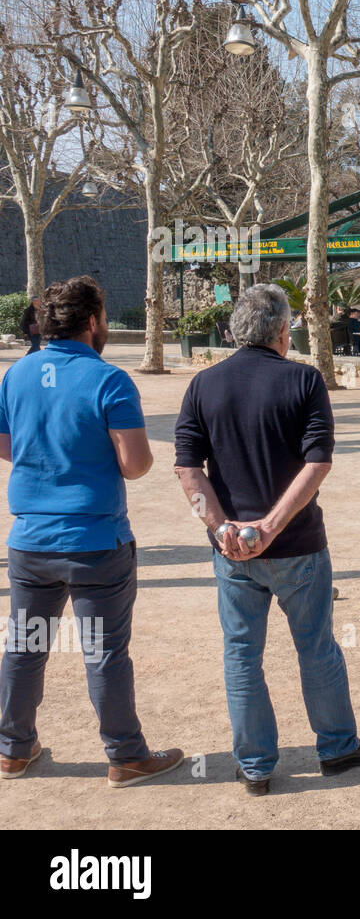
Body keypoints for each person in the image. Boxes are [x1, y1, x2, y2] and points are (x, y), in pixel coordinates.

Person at [173, 284, 360, 795]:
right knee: (316, 647)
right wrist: (272, 525)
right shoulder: (304, 380)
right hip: (299, 547)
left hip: (232, 551)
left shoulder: (204, 385)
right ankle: (336, 747)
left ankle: (255, 765)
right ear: (281, 330)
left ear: (234, 330)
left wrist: (221, 526)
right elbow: (319, 461)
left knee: (241, 654)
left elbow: (187, 467)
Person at [0, 276, 183, 787]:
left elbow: (6, 444)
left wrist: (49, 462)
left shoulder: (15, 376)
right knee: (103, 653)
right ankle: (125, 756)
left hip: (30, 543)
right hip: (95, 546)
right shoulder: (110, 380)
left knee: (24, 647)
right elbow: (135, 464)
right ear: (94, 322)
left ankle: (12, 750)